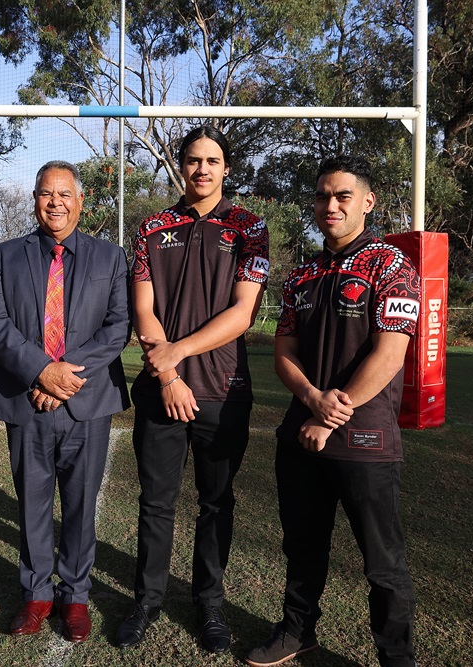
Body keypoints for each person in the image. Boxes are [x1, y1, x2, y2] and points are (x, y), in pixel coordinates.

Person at [245, 155, 420, 667]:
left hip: (365, 441)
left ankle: (397, 658)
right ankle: (298, 632)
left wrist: (329, 415)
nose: (331, 205)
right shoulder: (302, 274)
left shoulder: (391, 266)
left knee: (382, 563)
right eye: (323, 196)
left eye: (343, 195)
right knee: (302, 547)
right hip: (300, 432)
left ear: (367, 202)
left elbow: (389, 354)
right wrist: (311, 402)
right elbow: (284, 353)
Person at [116, 125, 269, 653]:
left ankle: (209, 604)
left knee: (216, 503)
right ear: (180, 166)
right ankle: (147, 600)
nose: (202, 169)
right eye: (192, 160)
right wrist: (169, 376)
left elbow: (242, 312)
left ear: (226, 168)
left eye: (212, 160)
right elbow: (144, 310)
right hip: (163, 390)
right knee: (156, 502)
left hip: (223, 392)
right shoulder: (153, 227)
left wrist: (178, 355)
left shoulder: (250, 227)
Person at [0, 160, 131, 643]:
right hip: (26, 401)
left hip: (87, 403)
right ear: (35, 200)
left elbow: (118, 326)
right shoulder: (4, 256)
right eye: (46, 194)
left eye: (65, 194)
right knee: (33, 505)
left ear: (81, 201)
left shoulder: (110, 257)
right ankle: (36, 594)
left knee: (81, 506)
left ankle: (77, 595)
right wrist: (41, 370)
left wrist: (64, 374)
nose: (55, 203)